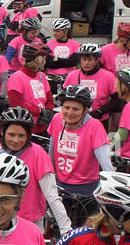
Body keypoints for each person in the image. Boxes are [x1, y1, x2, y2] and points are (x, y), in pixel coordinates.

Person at [0, 107, 70, 235]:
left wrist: (66, 230)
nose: (16, 140)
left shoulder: (38, 154)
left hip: (31, 222)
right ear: (3, 132)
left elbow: (52, 195)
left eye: (21, 136)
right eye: (11, 134)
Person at [48, 83, 113, 224]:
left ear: (85, 110)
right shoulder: (57, 119)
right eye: (66, 107)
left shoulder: (95, 126)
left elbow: (105, 162)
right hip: (61, 186)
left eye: (75, 109)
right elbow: (51, 152)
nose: (69, 113)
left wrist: (111, 186)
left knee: (86, 231)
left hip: (87, 189)